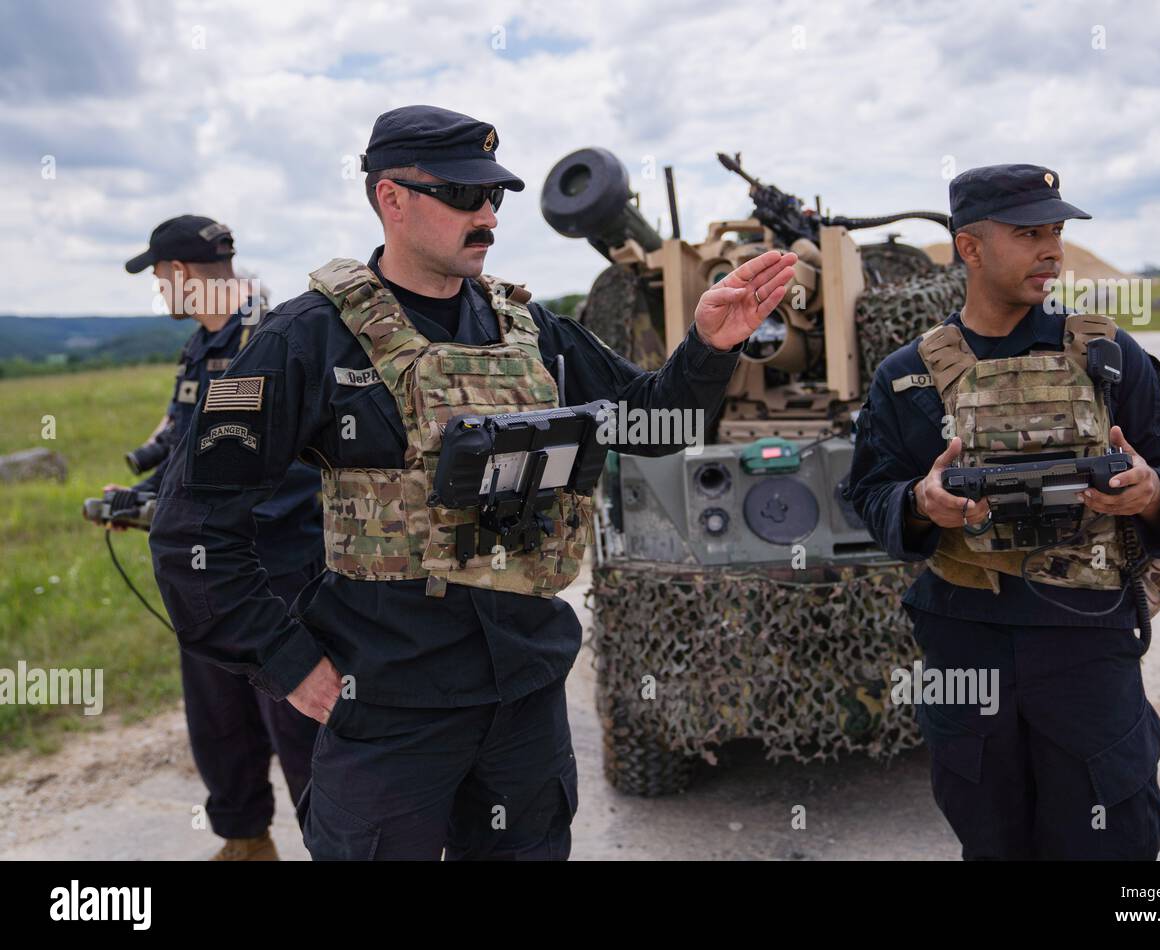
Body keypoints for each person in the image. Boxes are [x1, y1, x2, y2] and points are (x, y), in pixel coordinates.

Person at [147, 105, 796, 860]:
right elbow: (191, 529)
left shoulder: (532, 332)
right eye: (462, 195)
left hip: (522, 701)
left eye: (495, 196)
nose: (486, 213)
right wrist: (287, 663)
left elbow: (653, 426)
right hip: (390, 709)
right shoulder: (300, 340)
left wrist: (708, 347)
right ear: (391, 198)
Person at [849, 164, 1160, 860]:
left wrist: (1151, 493)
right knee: (988, 829)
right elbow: (869, 494)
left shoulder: (1108, 354)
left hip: (1086, 639)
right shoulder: (906, 375)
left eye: (1056, 231)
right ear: (970, 248)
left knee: (1111, 832)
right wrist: (919, 504)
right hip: (965, 637)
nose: (1051, 249)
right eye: (1027, 233)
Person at [119, 216, 324, 860]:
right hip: (208, 573)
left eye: (158, 278)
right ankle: (245, 841)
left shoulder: (268, 338)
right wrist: (147, 497)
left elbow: (272, 470)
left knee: (297, 722)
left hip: (275, 571)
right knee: (220, 721)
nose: (160, 292)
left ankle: (337, 846)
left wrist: (182, 510)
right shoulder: (202, 343)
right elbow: (190, 447)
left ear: (180, 273)